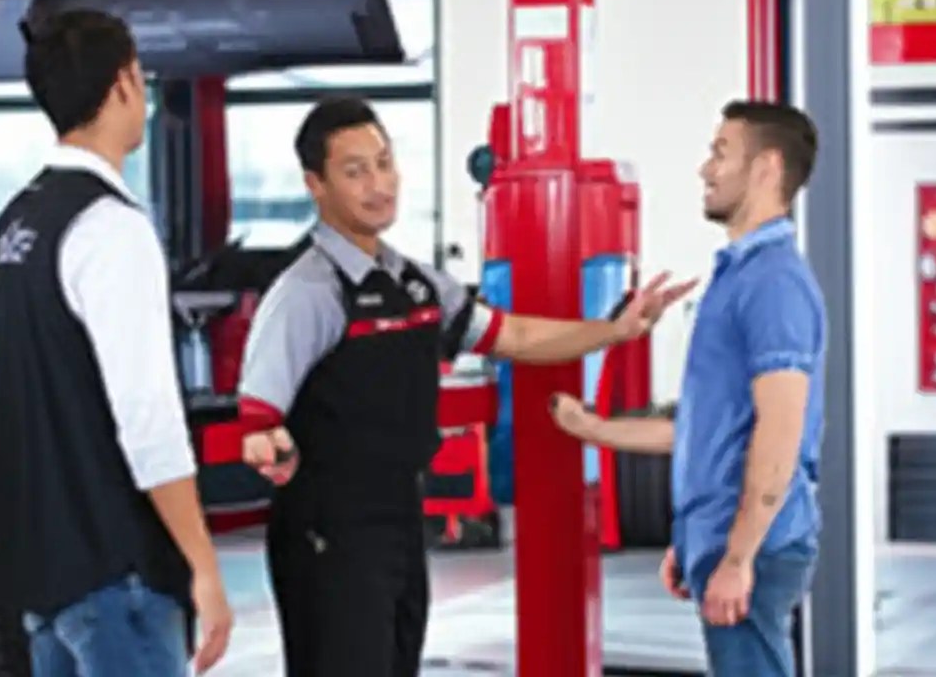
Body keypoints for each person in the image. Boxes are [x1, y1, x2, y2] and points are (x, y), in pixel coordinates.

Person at [235, 95, 696, 677]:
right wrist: (265, 443)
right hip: (328, 528)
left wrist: (615, 329)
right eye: (355, 171)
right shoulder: (307, 292)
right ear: (316, 185)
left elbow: (515, 336)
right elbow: (257, 414)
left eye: (385, 162)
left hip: (401, 514)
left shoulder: (416, 284)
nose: (379, 184)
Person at [0, 9, 232, 677]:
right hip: (117, 577)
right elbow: (147, 420)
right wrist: (204, 568)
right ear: (125, 83)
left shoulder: (17, 223)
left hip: (44, 572)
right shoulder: (109, 227)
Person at [551, 100, 824, 677]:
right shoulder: (738, 275)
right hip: (720, 535)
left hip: (755, 545)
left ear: (766, 168)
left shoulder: (773, 281)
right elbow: (707, 431)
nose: (705, 168)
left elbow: (779, 433)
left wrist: (738, 556)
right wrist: (592, 430)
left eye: (720, 152)